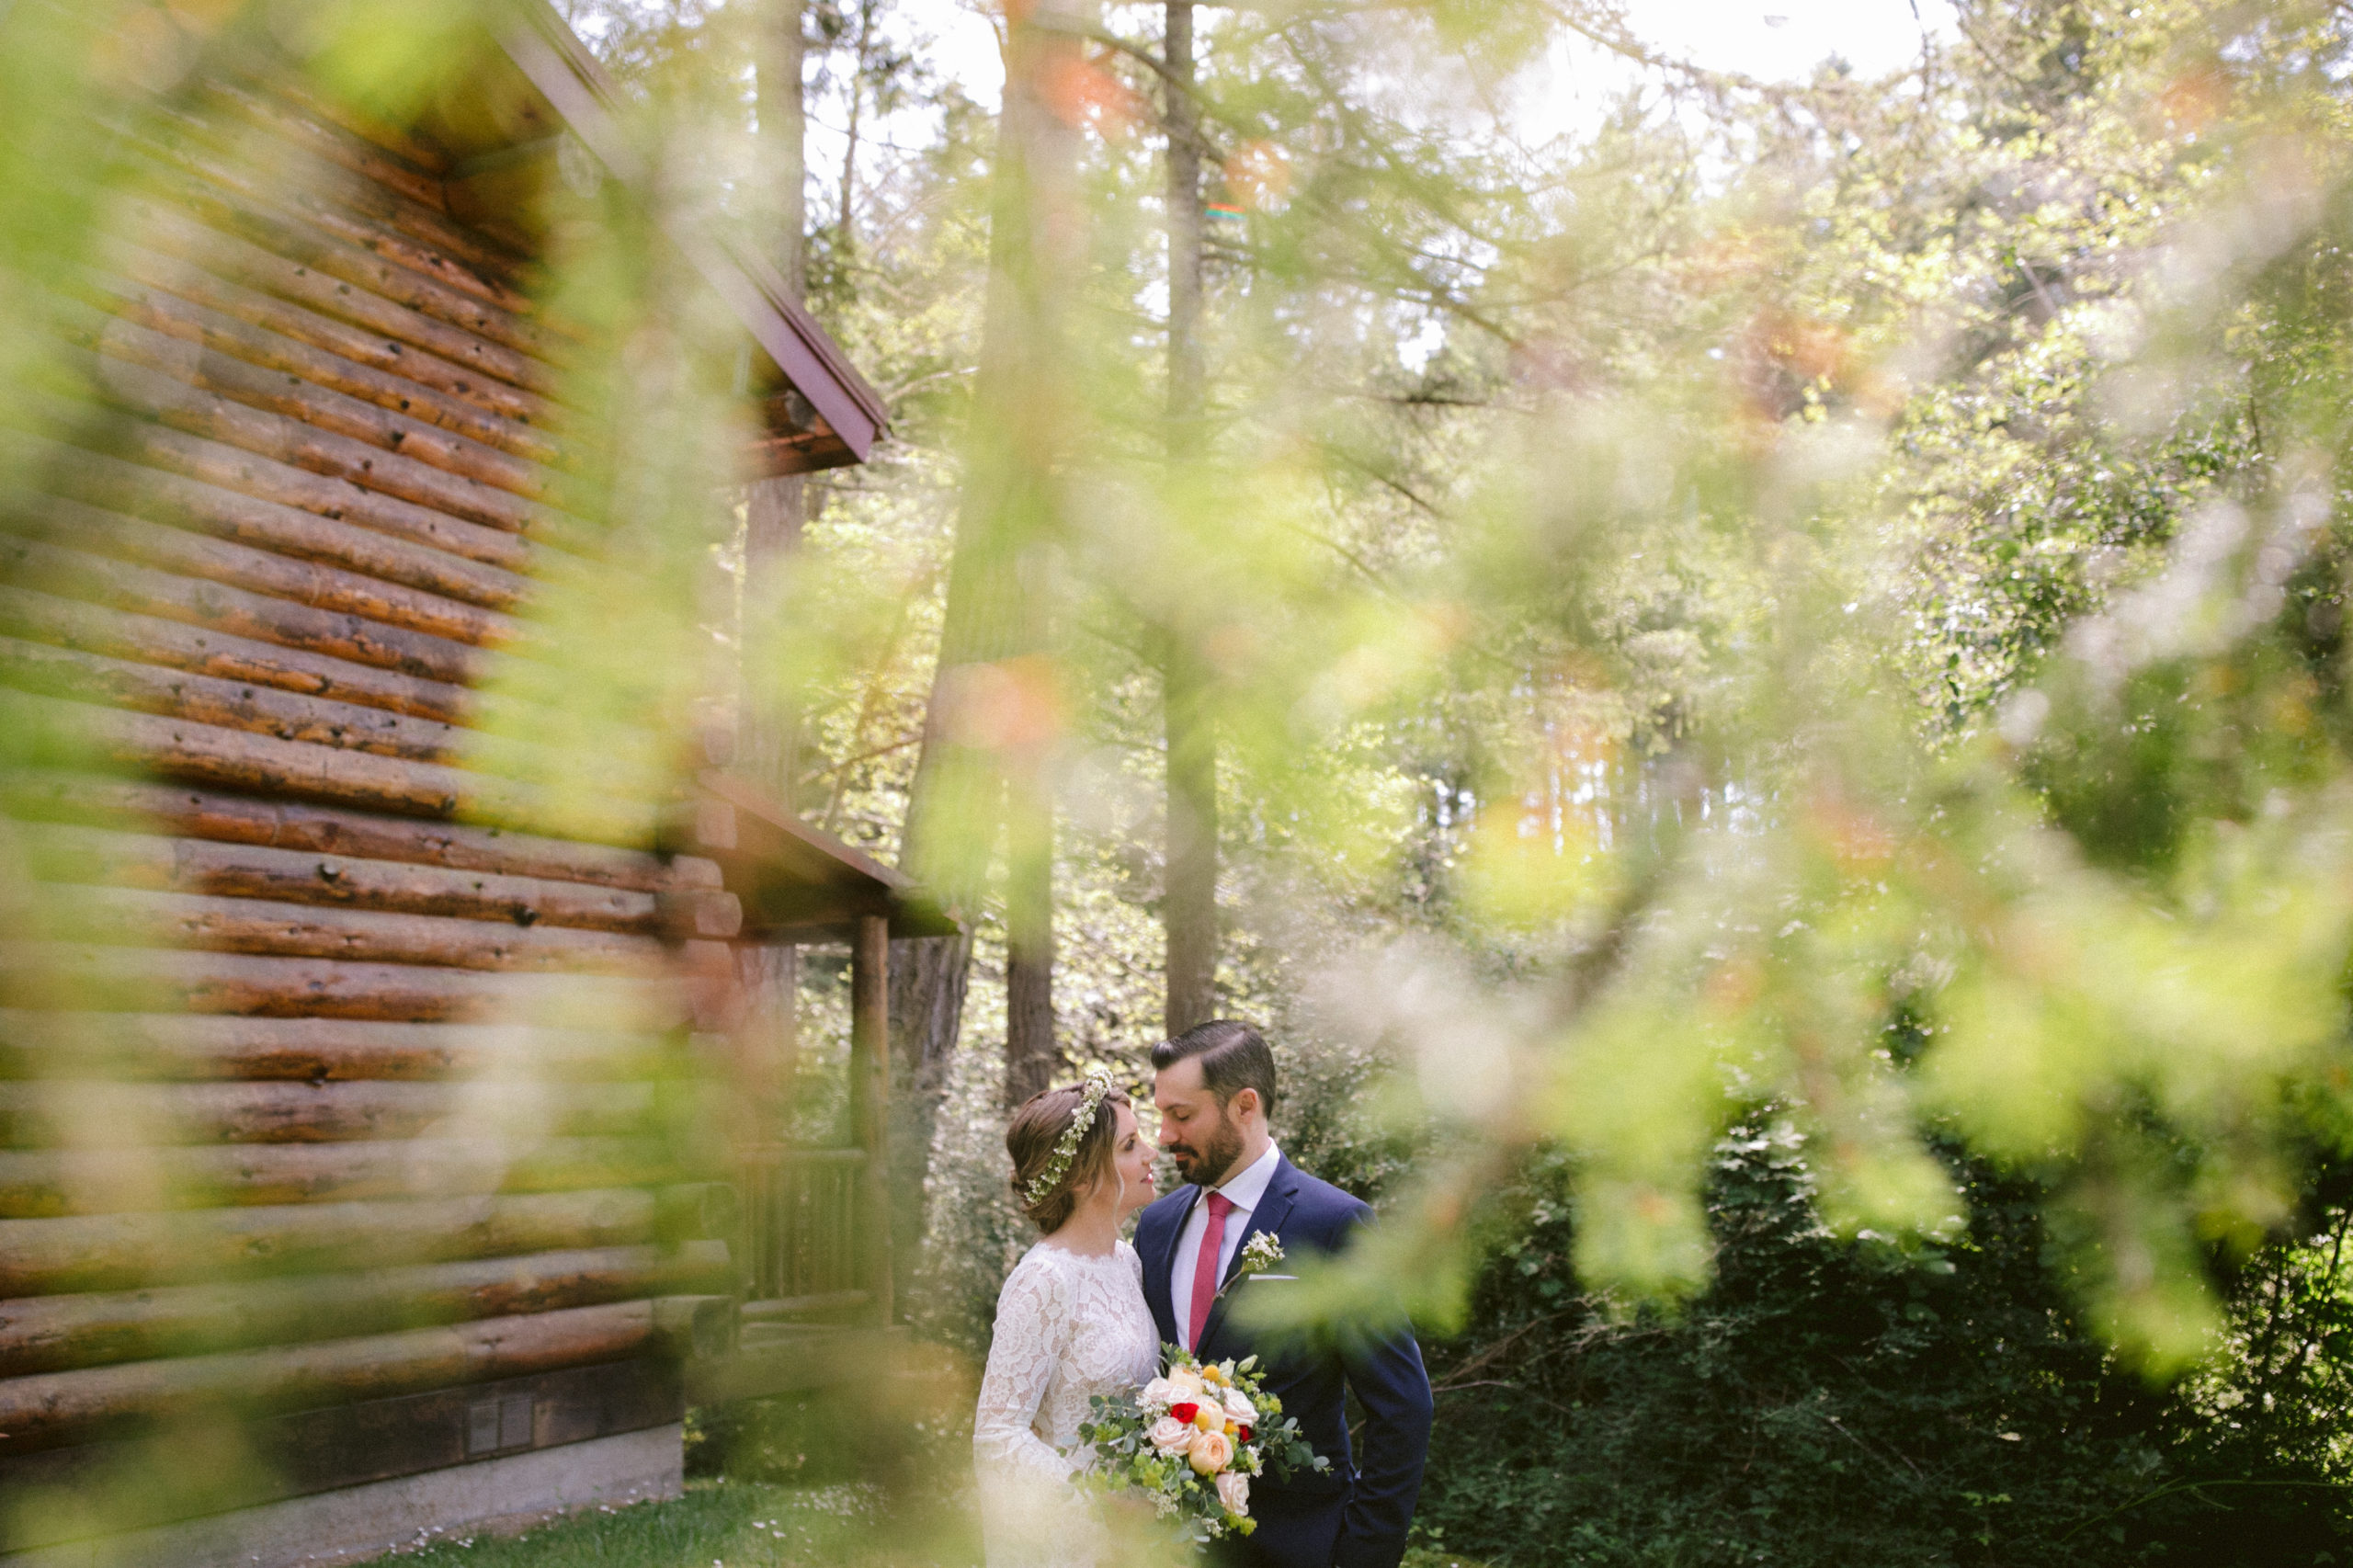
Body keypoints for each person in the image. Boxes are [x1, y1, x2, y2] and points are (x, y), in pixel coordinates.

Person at [1134, 1021, 1434, 1568]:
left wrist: (1362, 1553)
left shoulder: (1334, 1224)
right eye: (1161, 1114)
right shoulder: (1154, 1227)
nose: (1165, 1136)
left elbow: (1403, 1406)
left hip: (1302, 1545)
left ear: (1244, 1106)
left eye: (1181, 1115)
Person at [972, 1071, 1162, 1568]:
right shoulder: (1043, 1280)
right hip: (1073, 1542)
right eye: (1129, 1145)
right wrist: (1097, 1509)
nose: (1151, 1155)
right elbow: (998, 1436)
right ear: (1081, 1176)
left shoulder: (1127, 1262)